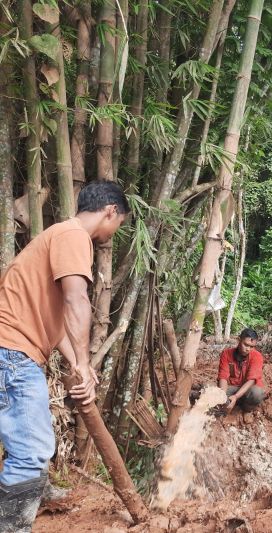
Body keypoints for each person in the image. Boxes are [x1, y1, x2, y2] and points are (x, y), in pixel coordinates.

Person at [0, 181, 129, 532]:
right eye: (119, 223)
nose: (115, 232)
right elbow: (76, 301)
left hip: (10, 350)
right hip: (12, 352)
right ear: (110, 211)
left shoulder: (56, 237)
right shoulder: (74, 236)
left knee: (30, 441)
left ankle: (34, 491)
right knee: (31, 451)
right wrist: (85, 363)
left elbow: (56, 329)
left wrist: (79, 366)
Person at [217, 328, 265, 413]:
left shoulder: (257, 356)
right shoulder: (226, 354)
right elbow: (223, 377)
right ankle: (225, 405)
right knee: (210, 389)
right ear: (239, 340)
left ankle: (245, 409)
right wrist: (222, 397)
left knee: (257, 393)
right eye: (246, 345)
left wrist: (236, 396)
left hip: (248, 390)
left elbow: (251, 381)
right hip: (232, 387)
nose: (248, 349)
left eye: (252, 346)